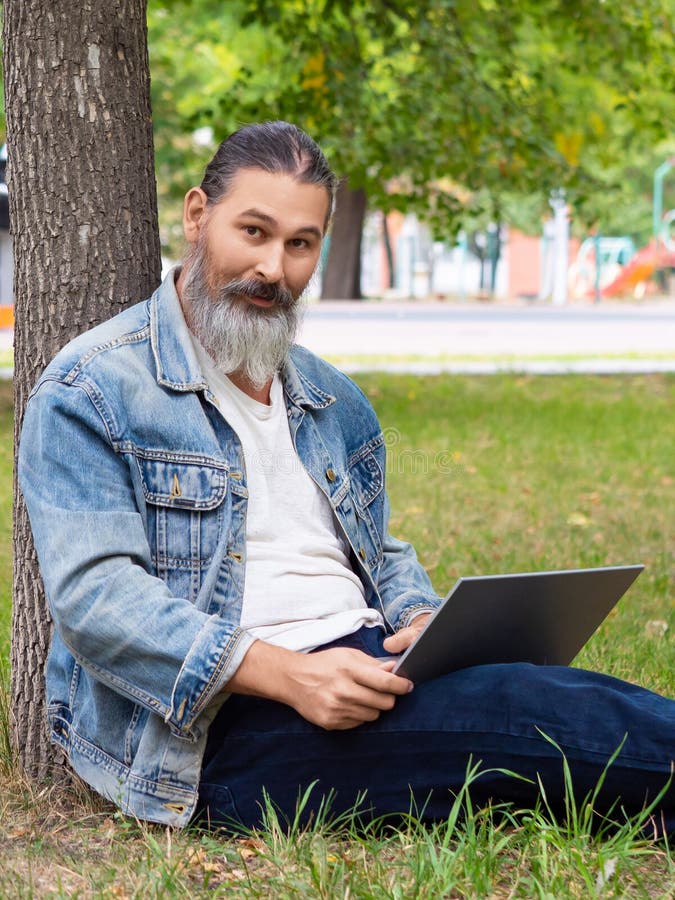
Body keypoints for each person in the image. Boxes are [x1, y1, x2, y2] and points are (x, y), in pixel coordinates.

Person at [19, 121, 674, 835]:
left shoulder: (331, 398)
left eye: (300, 243)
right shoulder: (91, 389)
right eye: (254, 232)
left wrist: (422, 621)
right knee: (523, 712)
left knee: (538, 704)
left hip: (363, 673)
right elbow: (97, 600)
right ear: (197, 215)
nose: (275, 268)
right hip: (214, 730)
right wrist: (289, 677)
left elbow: (378, 551)